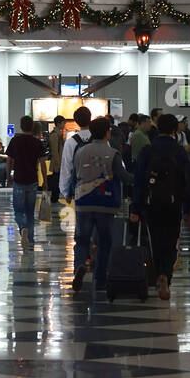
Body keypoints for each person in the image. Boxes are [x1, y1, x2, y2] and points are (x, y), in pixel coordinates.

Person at [131, 113, 190, 300]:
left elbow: (139, 181)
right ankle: (167, 273)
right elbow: (188, 181)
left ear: (157, 127)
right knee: (172, 239)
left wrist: (135, 208)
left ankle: (159, 274)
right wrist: (188, 207)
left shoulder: (148, 151)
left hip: (152, 203)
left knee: (155, 240)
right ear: (175, 130)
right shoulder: (181, 152)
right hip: (174, 204)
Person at [67, 116, 127, 294]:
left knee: (82, 240)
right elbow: (123, 177)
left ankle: (79, 266)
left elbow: (75, 174)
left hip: (83, 202)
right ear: (107, 133)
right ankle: (100, 280)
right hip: (105, 203)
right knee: (104, 242)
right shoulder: (113, 153)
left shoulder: (80, 151)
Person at [6, 117, 46, 248]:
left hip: (19, 179)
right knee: (30, 212)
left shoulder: (15, 141)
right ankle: (30, 240)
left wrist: (8, 176)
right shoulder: (37, 143)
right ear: (32, 127)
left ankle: (23, 227)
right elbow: (42, 163)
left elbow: (9, 160)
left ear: (21, 126)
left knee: (18, 211)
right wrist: (45, 180)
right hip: (32, 181)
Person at [59, 106, 94, 205]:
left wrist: (66, 192)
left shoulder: (70, 143)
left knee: (82, 219)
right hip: (98, 189)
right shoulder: (99, 140)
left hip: (79, 189)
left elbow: (66, 167)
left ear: (76, 121)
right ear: (90, 118)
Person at [47, 115, 66, 204]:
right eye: (63, 123)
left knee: (57, 180)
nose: (64, 125)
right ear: (58, 123)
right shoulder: (55, 135)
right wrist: (58, 164)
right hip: (56, 163)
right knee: (55, 180)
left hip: (58, 162)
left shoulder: (58, 134)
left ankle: (55, 197)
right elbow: (55, 151)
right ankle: (54, 198)